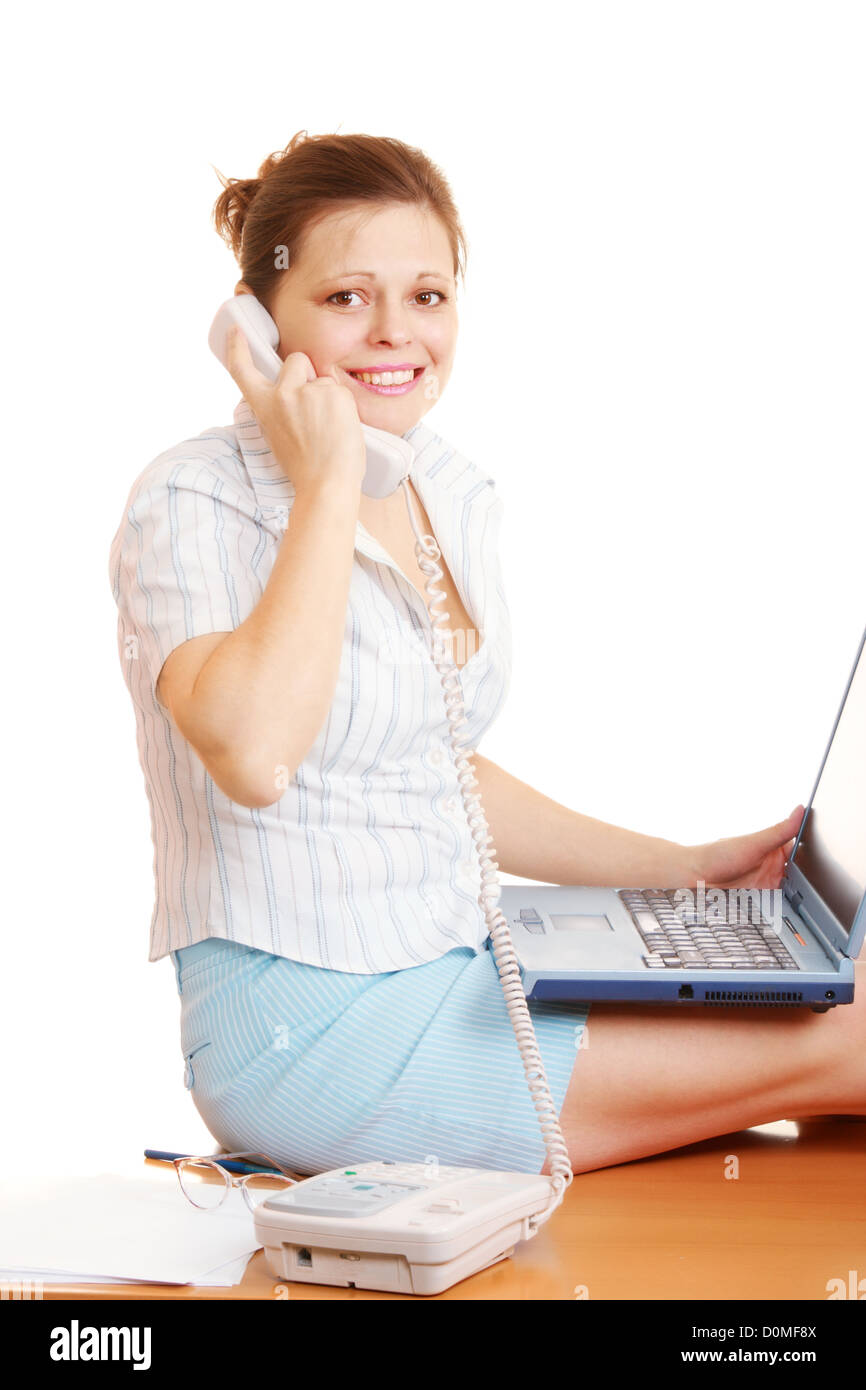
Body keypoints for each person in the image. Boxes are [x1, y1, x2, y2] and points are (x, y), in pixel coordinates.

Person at [108, 131, 865, 1184]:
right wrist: (324, 484)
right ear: (255, 320)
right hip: (310, 1029)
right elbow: (251, 753)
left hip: (456, 964)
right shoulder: (197, 498)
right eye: (343, 298)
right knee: (855, 1033)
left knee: (842, 990)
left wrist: (682, 871)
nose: (394, 333)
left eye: (426, 295)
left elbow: (428, 767)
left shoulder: (447, 490)